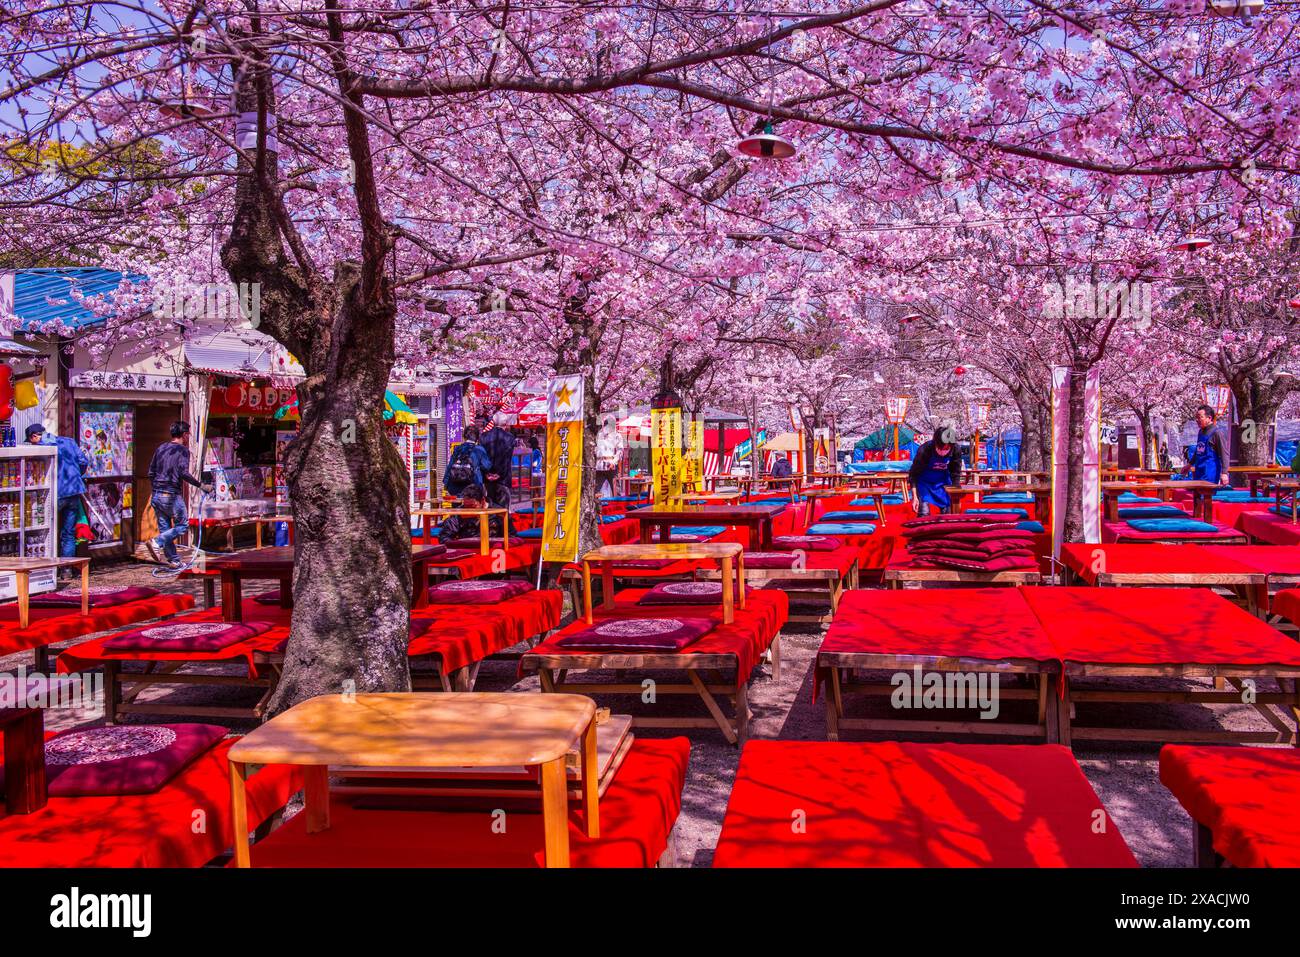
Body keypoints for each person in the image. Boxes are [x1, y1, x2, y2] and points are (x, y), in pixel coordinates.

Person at [145, 421, 213, 567]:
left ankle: (174, 561)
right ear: (184, 434)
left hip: (156, 494)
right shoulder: (182, 451)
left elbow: (150, 472)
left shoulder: (161, 448)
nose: (188, 436)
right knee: (182, 525)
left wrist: (156, 488)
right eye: (188, 433)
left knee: (165, 529)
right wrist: (201, 485)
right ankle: (156, 541)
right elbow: (183, 473)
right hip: (171, 494)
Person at [25, 423, 89, 558]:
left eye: (31, 441)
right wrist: (76, 475)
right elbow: (83, 462)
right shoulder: (69, 441)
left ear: (34, 436)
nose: (32, 444)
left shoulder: (42, 448)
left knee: (46, 530)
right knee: (68, 533)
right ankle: (66, 569)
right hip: (74, 490)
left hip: (55, 493)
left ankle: (49, 567)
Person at [909, 426, 963, 515]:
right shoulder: (925, 450)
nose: (943, 452)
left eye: (946, 449)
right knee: (924, 512)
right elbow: (914, 474)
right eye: (940, 448)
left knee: (948, 513)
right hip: (924, 483)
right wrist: (915, 497)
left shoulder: (956, 449)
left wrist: (956, 495)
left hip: (943, 483)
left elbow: (955, 472)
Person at [436, 483, 507, 543]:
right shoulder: (459, 513)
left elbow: (510, 537)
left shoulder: (498, 513)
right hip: (466, 550)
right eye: (465, 505)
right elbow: (444, 536)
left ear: (482, 501)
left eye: (472, 506)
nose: (468, 509)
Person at [478, 412, 516, 510]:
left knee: (489, 505)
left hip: (487, 478)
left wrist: (487, 473)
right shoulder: (510, 438)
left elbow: (481, 457)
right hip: (503, 478)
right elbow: (507, 459)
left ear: (493, 422)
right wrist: (499, 474)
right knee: (503, 509)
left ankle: (491, 525)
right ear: (505, 423)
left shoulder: (483, 436)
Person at [443, 426, 490, 498]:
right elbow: (486, 466)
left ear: (464, 437)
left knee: (457, 507)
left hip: (455, 487)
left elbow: (450, 466)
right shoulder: (479, 450)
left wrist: (446, 483)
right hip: (473, 487)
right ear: (477, 438)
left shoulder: (458, 449)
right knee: (473, 506)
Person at [1190, 404, 1230, 486]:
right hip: (1199, 470)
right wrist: (1189, 464)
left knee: (1205, 496)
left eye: (1200, 417)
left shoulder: (1217, 433)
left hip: (1210, 471)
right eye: (1196, 417)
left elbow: (1224, 454)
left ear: (1209, 418)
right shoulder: (1200, 432)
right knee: (1196, 496)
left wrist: (1225, 473)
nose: (1197, 420)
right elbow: (1198, 451)